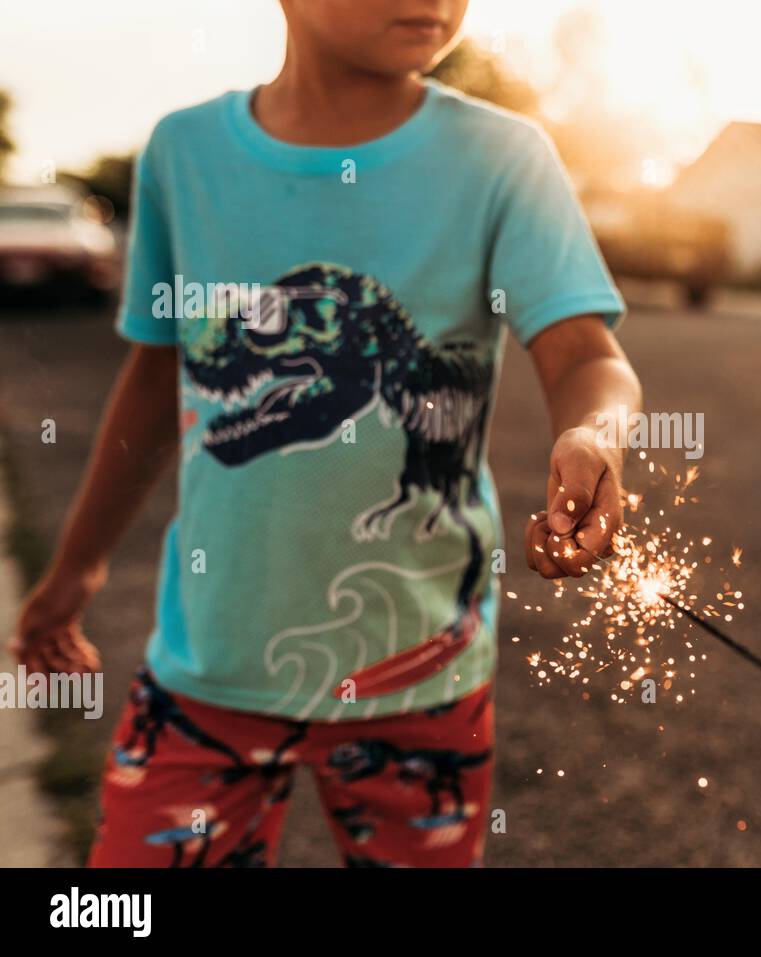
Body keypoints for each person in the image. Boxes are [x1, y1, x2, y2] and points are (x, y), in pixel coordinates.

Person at [8, 0, 641, 867]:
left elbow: (586, 357)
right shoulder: (181, 153)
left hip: (422, 677)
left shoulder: (503, 156)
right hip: (205, 672)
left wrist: (596, 437)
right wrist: (73, 569)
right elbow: (160, 375)